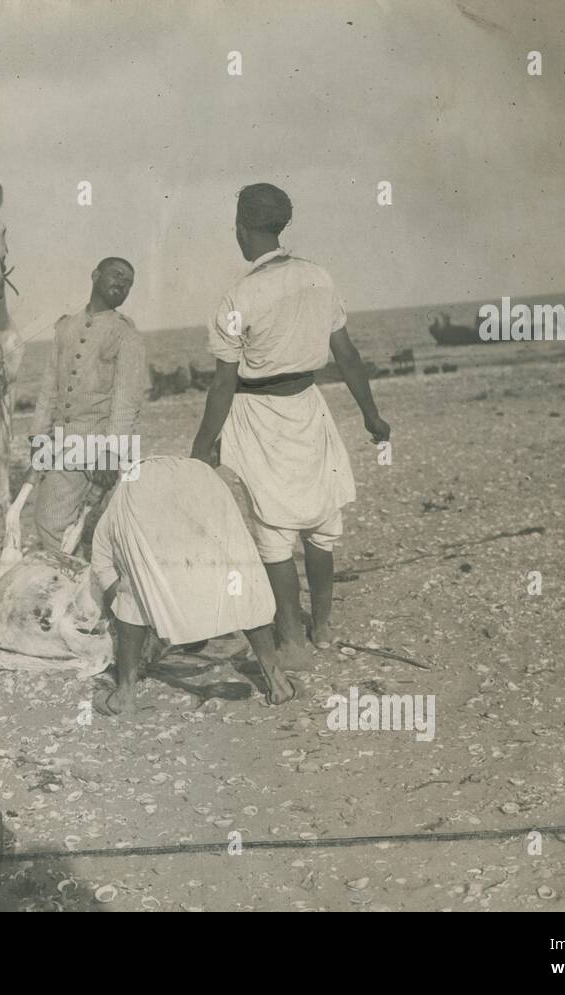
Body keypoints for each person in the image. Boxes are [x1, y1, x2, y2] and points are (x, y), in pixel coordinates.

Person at [191, 183, 390, 663]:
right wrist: (372, 415)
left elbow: (222, 385)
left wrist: (202, 447)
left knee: (273, 534)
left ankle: (293, 640)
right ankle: (321, 627)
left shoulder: (238, 297)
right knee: (321, 525)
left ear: (241, 229)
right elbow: (347, 355)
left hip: (258, 418)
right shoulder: (318, 277)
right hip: (308, 406)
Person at [90, 455, 293, 715]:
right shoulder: (139, 488)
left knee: (131, 591)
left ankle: (124, 694)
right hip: (201, 477)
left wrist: (127, 618)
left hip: (149, 487)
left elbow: (112, 583)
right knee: (234, 573)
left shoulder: (112, 516)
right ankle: (278, 681)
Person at [29, 258, 147, 553]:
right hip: (64, 441)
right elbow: (50, 386)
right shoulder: (66, 327)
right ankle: (80, 573)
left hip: (101, 443)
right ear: (95, 275)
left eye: (129, 283)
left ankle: (79, 575)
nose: (122, 284)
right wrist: (38, 435)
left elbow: (126, 400)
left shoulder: (126, 334)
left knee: (69, 525)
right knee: (52, 522)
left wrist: (111, 453)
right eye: (117, 275)